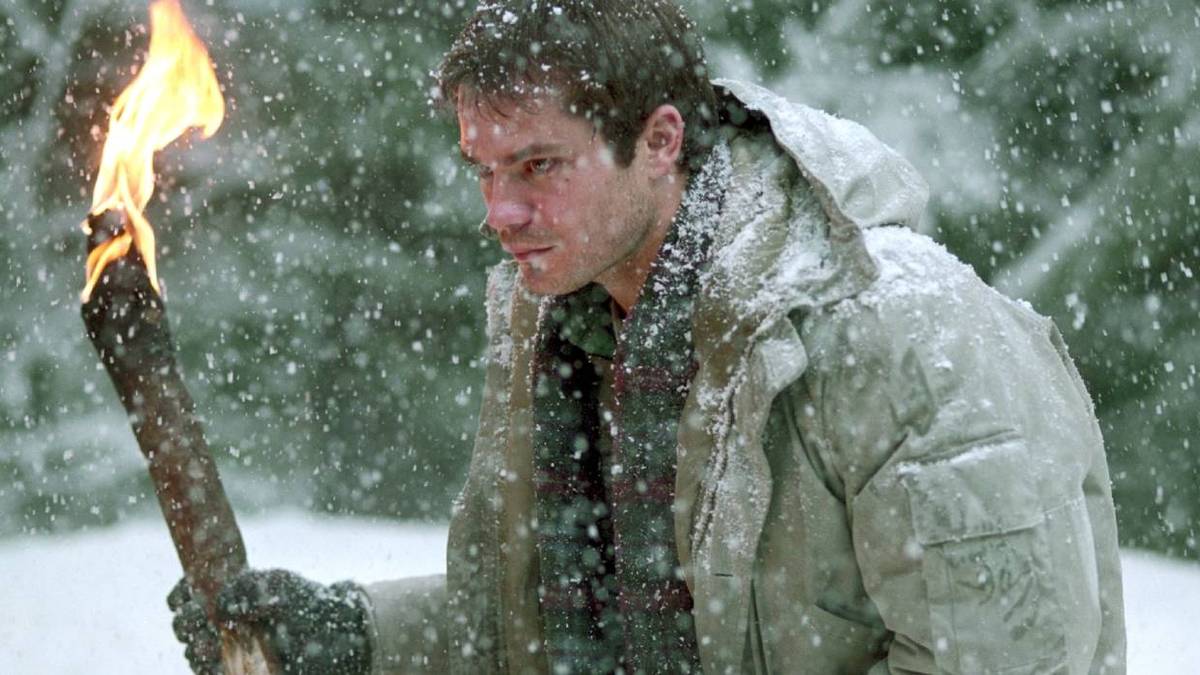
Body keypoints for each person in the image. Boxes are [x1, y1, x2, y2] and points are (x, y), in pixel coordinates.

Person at [169, 1, 1126, 673]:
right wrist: (356, 636)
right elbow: (550, 629)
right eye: (483, 169)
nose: (500, 211)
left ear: (661, 140)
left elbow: (1011, 656)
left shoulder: (898, 330)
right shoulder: (563, 329)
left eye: (538, 164)